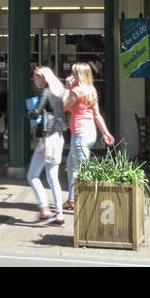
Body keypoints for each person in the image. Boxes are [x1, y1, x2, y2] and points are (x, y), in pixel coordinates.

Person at [63, 62, 115, 211]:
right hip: (90, 133)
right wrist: (105, 132)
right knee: (72, 166)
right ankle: (72, 200)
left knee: (80, 169)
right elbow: (96, 114)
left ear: (79, 75)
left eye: (73, 73)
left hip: (79, 134)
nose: (71, 76)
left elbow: (63, 106)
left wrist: (67, 88)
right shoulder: (91, 90)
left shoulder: (76, 91)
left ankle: (86, 203)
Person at [26, 66, 68, 224]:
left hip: (47, 139)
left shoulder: (45, 92)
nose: (34, 80)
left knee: (32, 175)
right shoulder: (58, 92)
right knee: (52, 178)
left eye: (36, 77)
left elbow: (36, 112)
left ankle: (44, 208)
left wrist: (28, 113)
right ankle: (59, 214)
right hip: (58, 137)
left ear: (43, 78)